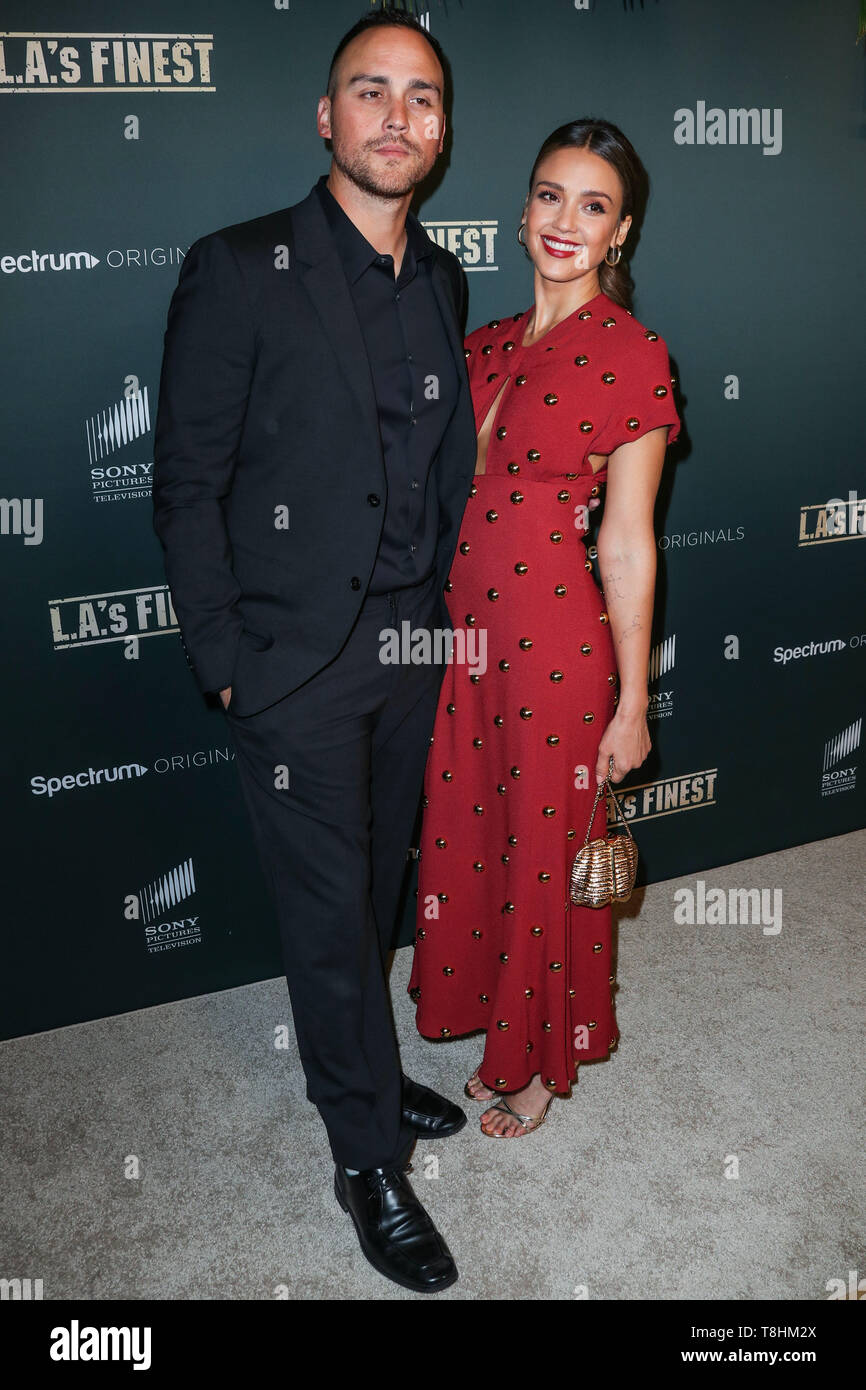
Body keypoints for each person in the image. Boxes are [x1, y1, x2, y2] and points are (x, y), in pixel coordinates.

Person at [152, 10, 479, 1293]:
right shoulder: (239, 267)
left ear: (442, 132)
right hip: (292, 660)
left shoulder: (443, 280)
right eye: (371, 92)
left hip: (411, 640)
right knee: (322, 905)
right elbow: (186, 480)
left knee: (378, 886)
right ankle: (364, 1156)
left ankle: (370, 1059)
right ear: (326, 117)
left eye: (422, 98)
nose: (398, 117)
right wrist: (228, 657)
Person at [409, 119, 682, 1137]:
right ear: (521, 216)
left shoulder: (632, 354)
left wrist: (632, 701)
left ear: (619, 234)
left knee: (543, 855)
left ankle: (538, 1059)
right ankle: (492, 1021)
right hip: (457, 644)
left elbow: (625, 545)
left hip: (552, 647)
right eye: (549, 196)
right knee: (471, 837)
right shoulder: (476, 342)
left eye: (592, 204)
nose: (565, 220)